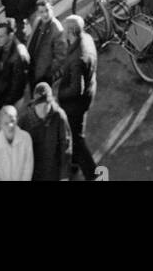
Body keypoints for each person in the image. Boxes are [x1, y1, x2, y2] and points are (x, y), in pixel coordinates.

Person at [57, 14, 98, 181]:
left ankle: (94, 175)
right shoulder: (86, 38)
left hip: (76, 104)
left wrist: (59, 94)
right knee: (76, 134)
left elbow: (76, 89)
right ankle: (74, 162)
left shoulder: (77, 58)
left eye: (64, 30)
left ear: (70, 32)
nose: (62, 33)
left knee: (77, 139)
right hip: (88, 95)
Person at [20, 82, 72, 182]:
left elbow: (66, 146)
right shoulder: (24, 120)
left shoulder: (59, 116)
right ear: (35, 104)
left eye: (46, 105)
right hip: (33, 172)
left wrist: (64, 175)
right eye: (40, 106)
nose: (44, 110)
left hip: (52, 172)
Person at [0, 18, 31, 113]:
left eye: (1, 36)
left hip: (14, 103)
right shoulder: (1, 47)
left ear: (11, 36)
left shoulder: (19, 54)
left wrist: (6, 104)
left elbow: (17, 85)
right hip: (3, 100)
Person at [26, 0, 67, 93]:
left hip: (43, 75)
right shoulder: (37, 21)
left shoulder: (57, 29)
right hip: (33, 69)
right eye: (41, 12)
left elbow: (61, 56)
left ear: (52, 9)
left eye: (47, 11)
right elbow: (32, 40)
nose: (45, 14)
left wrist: (48, 73)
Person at [0, 104, 33, 181]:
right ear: (0, 125)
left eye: (12, 121)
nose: (10, 125)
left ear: (17, 120)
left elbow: (28, 167)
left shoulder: (26, 138)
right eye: (6, 123)